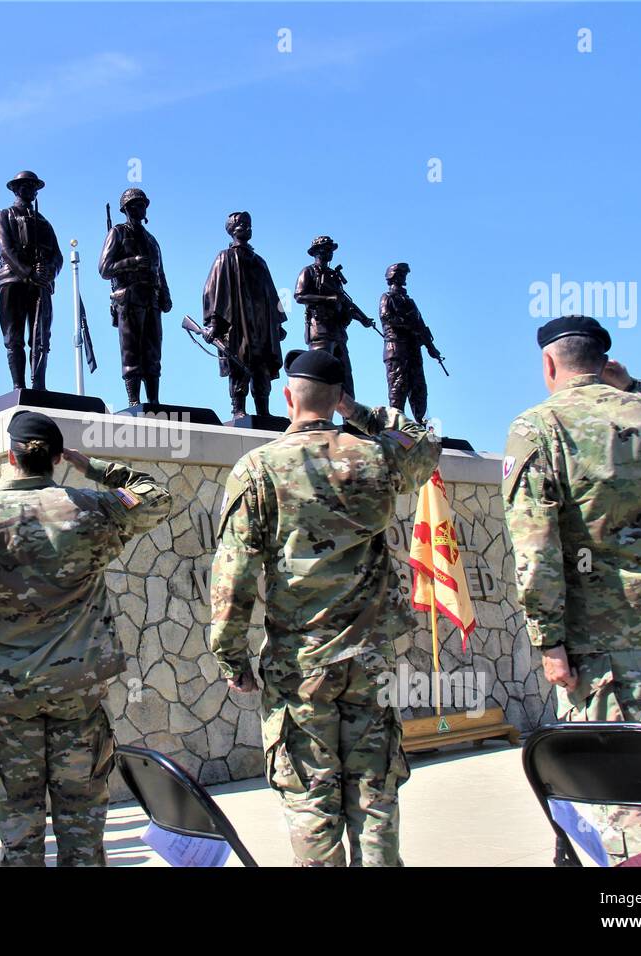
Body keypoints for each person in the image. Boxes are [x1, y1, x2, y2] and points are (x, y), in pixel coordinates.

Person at [502, 315, 641, 862]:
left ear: (549, 364)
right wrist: (638, 385)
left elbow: (537, 549)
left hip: (599, 643)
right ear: (605, 361)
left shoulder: (538, 428)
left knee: (626, 786)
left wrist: (549, 642)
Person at [210, 349, 440, 866]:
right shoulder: (377, 457)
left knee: (311, 796)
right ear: (337, 399)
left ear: (288, 397)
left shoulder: (258, 469)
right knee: (375, 793)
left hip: (300, 663)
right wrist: (361, 413)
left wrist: (231, 657)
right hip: (369, 659)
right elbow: (425, 444)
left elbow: (234, 576)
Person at [0, 411, 172, 866]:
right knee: (83, 835)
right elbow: (155, 496)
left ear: (11, 457)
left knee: (19, 842)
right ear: (59, 459)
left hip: (6, 700)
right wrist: (98, 468)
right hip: (77, 696)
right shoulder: (92, 508)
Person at [202, 211, 287, 419]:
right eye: (241, 224)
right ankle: (238, 409)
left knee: (262, 366)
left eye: (248, 224)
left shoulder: (259, 262)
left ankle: (263, 411)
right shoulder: (225, 257)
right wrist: (214, 322)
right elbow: (214, 291)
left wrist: (276, 325)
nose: (246, 228)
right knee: (239, 364)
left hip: (261, 324)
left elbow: (272, 293)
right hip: (237, 323)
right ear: (231, 230)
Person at [0, 170, 64, 391]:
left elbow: (57, 257)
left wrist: (48, 271)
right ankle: (18, 385)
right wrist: (29, 272)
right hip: (14, 281)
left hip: (41, 285)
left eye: (33, 186)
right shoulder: (5, 215)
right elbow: (6, 250)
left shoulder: (44, 223)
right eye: (25, 185)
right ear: (15, 189)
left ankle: (39, 384)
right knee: (14, 337)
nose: (30, 189)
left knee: (41, 337)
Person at [98, 187, 172, 406]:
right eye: (136, 205)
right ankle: (134, 400)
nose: (141, 208)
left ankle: (154, 400)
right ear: (127, 209)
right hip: (129, 298)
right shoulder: (118, 233)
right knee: (131, 351)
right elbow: (104, 268)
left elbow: (160, 271)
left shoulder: (152, 240)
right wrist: (132, 262)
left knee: (153, 351)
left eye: (143, 205)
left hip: (152, 299)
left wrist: (166, 294)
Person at [293, 235, 374, 400]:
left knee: (345, 375)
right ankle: (317, 416)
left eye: (331, 249)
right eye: (326, 249)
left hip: (338, 331)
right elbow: (299, 296)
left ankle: (351, 421)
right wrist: (327, 299)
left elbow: (345, 303)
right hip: (320, 329)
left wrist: (362, 319)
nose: (329, 252)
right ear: (316, 251)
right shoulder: (308, 271)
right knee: (321, 374)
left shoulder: (334, 277)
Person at [380, 262, 442, 422]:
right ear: (392, 278)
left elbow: (421, 327)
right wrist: (408, 324)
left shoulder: (410, 302)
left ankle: (421, 425)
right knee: (398, 386)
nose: (402, 278)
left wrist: (431, 348)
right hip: (396, 348)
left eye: (404, 275)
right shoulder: (387, 298)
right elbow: (386, 317)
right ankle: (395, 424)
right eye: (400, 275)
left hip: (413, 349)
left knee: (419, 388)